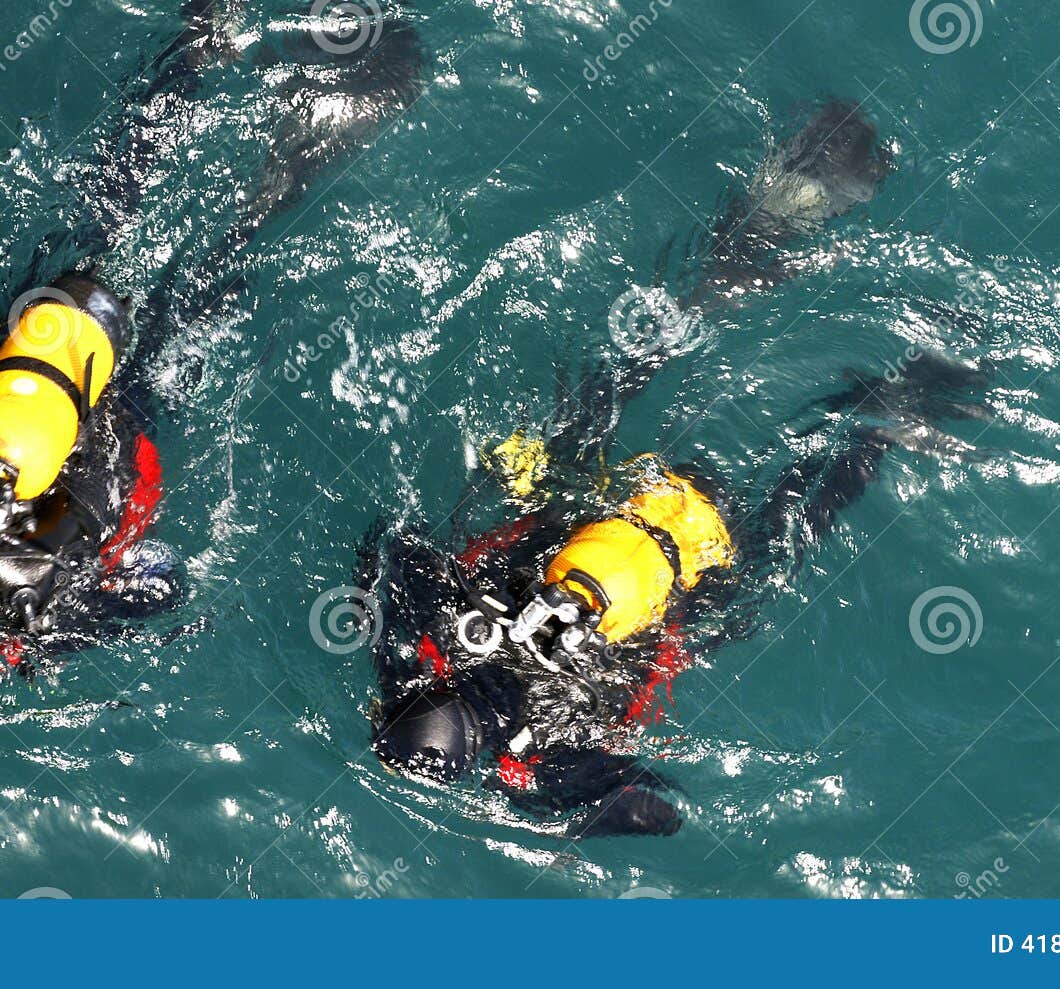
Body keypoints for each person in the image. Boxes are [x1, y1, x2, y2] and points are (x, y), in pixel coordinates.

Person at [358, 101, 994, 836]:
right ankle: (763, 230)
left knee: (793, 519)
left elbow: (655, 810)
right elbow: (391, 542)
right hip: (593, 510)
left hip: (696, 569)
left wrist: (551, 817)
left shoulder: (538, 761)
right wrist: (395, 664)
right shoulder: (438, 632)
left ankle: (897, 412)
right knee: (595, 404)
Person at [0, 0, 425, 742]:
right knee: (106, 215)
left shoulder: (40, 629)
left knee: (209, 277)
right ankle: (197, 50)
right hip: (19, 360)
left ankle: (306, 143)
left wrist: (79, 633)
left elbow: (158, 578)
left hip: (120, 428)